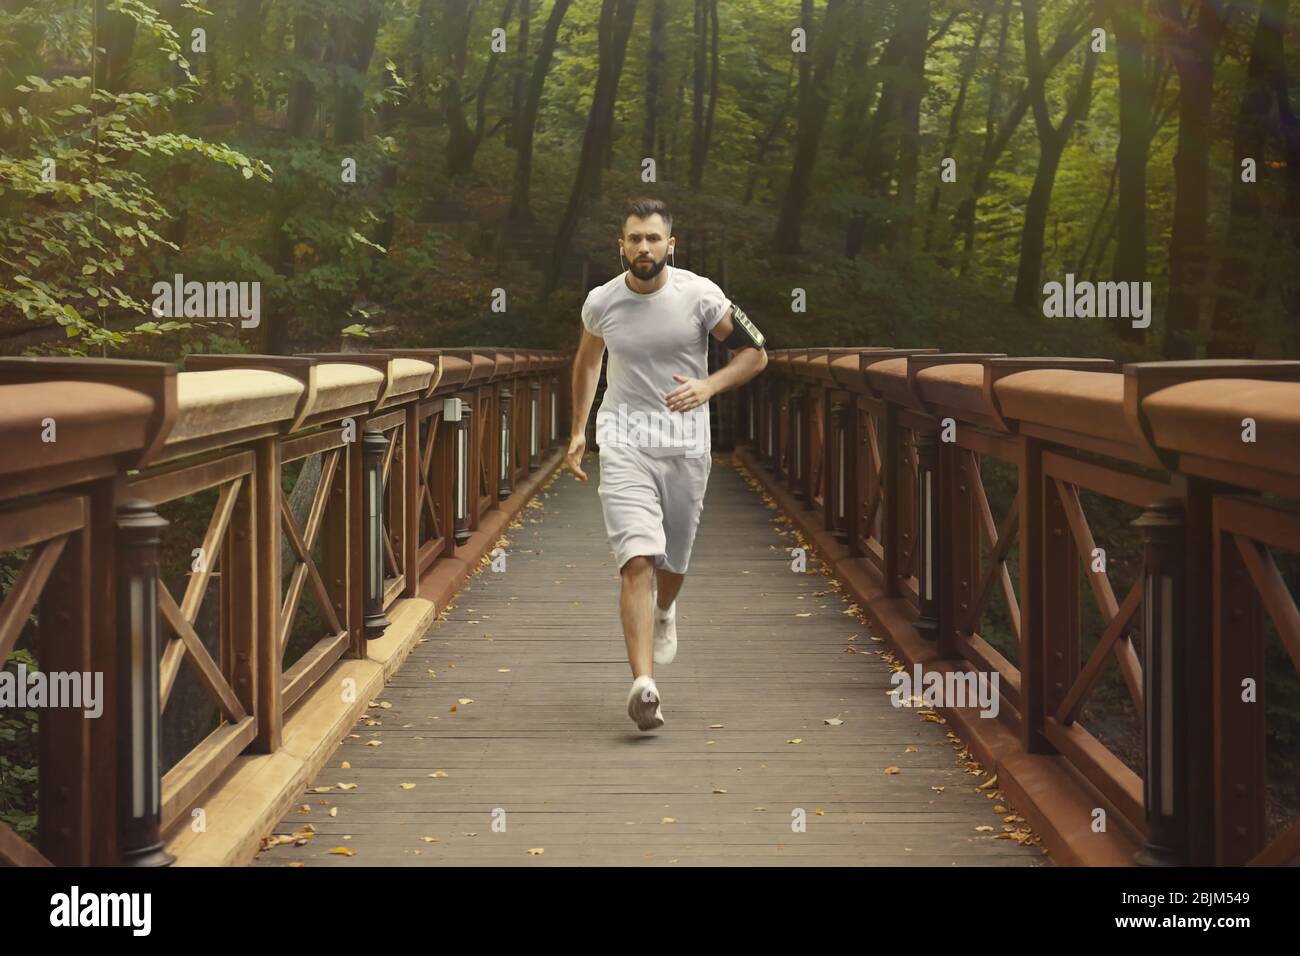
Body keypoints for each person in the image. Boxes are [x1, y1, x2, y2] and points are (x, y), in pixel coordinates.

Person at [565, 198, 769, 731]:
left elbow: (756, 353)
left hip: (685, 447)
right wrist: (577, 431)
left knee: (672, 565)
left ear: (670, 245)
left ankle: (665, 609)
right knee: (637, 559)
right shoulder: (602, 302)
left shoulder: (700, 296)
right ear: (622, 245)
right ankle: (644, 685)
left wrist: (709, 385)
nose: (643, 247)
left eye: (653, 238)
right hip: (624, 440)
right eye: (634, 238)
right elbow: (588, 362)